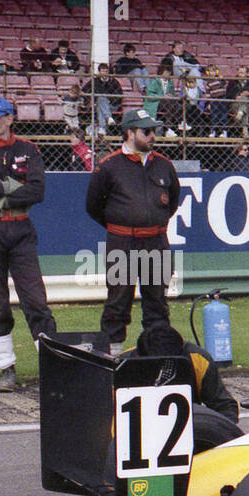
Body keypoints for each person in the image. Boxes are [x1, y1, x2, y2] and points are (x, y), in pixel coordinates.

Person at [0, 97, 57, 392]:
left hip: (20, 230)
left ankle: (53, 368)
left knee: (36, 301)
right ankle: (7, 369)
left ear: (9, 118)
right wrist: (13, 185)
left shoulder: (29, 149)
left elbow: (38, 191)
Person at [86, 108, 182, 356]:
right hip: (122, 243)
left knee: (157, 303)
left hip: (157, 242)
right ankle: (113, 357)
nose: (152, 136)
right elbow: (93, 206)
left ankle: (158, 357)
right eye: (146, 131)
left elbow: (172, 202)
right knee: (118, 302)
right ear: (129, 133)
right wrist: (123, 226)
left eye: (154, 131)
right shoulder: (109, 166)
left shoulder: (164, 165)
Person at [126, 324, 239, 422]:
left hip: (191, 430)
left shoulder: (198, 360)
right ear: (140, 357)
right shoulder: (122, 366)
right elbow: (110, 415)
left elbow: (225, 406)